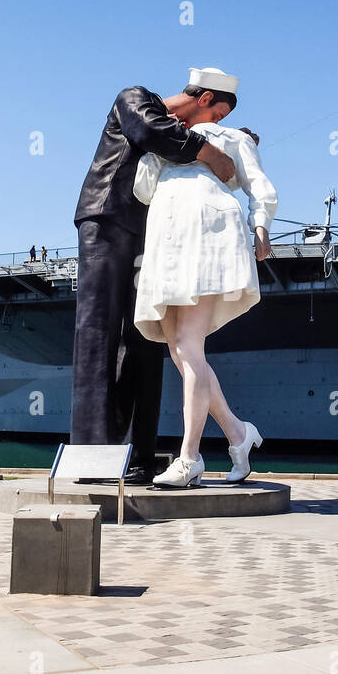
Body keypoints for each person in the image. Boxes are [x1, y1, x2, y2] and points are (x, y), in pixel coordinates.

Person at [71, 69, 239, 485]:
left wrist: (235, 143)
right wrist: (211, 152)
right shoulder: (134, 98)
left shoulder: (184, 138)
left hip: (152, 235)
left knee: (146, 342)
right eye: (216, 116)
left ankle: (136, 457)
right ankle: (91, 456)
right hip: (106, 220)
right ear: (202, 100)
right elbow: (151, 130)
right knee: (98, 333)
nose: (214, 127)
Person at [132, 119, 277, 487]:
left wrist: (261, 225)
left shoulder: (234, 137)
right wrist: (158, 147)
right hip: (167, 240)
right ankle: (237, 433)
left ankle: (189, 457)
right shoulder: (166, 141)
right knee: (181, 352)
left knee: (188, 345)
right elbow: (143, 189)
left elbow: (258, 185)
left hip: (209, 237)